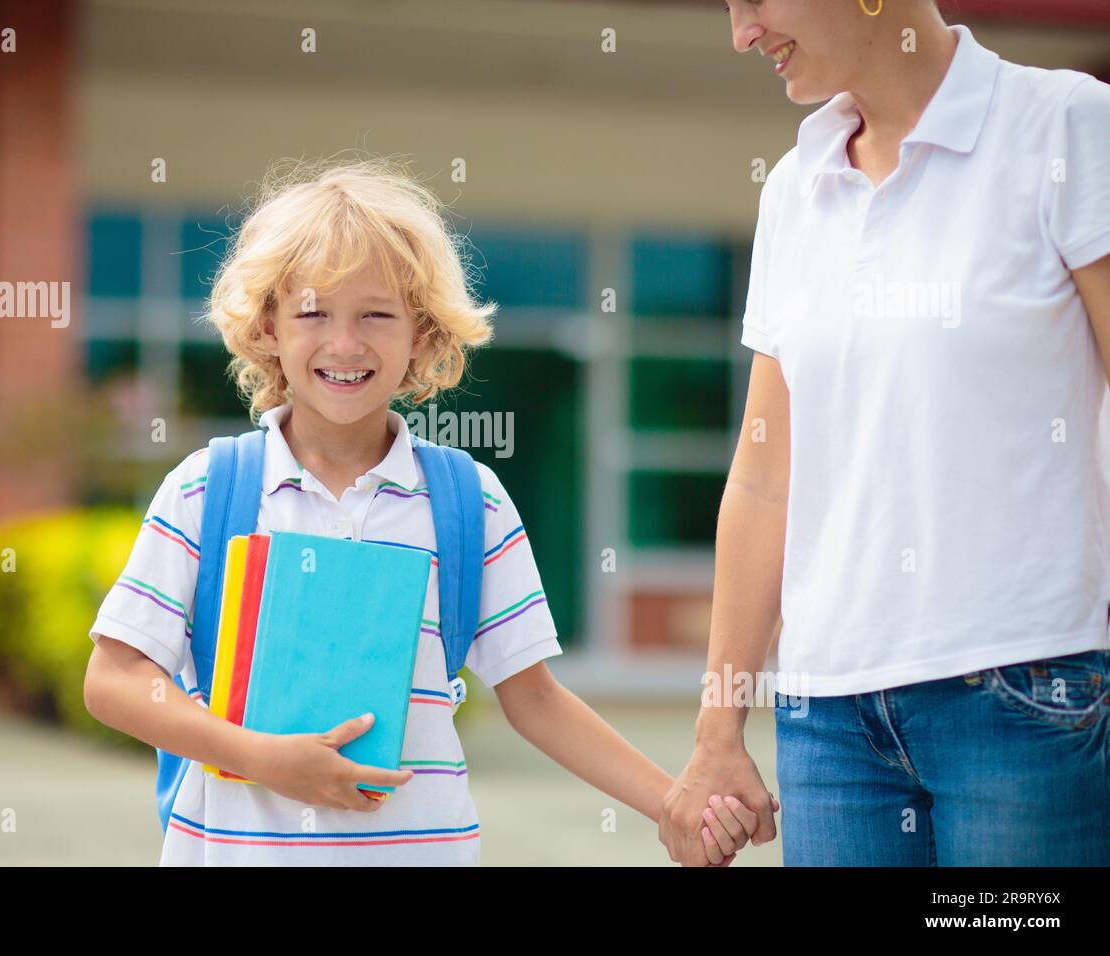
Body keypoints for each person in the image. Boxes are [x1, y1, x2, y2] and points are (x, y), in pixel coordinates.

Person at [83, 157, 753, 865]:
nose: (345, 343)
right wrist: (260, 756)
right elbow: (116, 678)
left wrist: (674, 803)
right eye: (313, 312)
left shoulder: (470, 503)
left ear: (424, 336)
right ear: (269, 327)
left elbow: (535, 699)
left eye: (377, 313)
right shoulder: (207, 491)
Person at [660, 1, 1110, 866]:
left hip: (1024, 695)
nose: (740, 33)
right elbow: (763, 479)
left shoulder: (1065, 126)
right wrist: (720, 729)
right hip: (828, 722)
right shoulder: (796, 187)